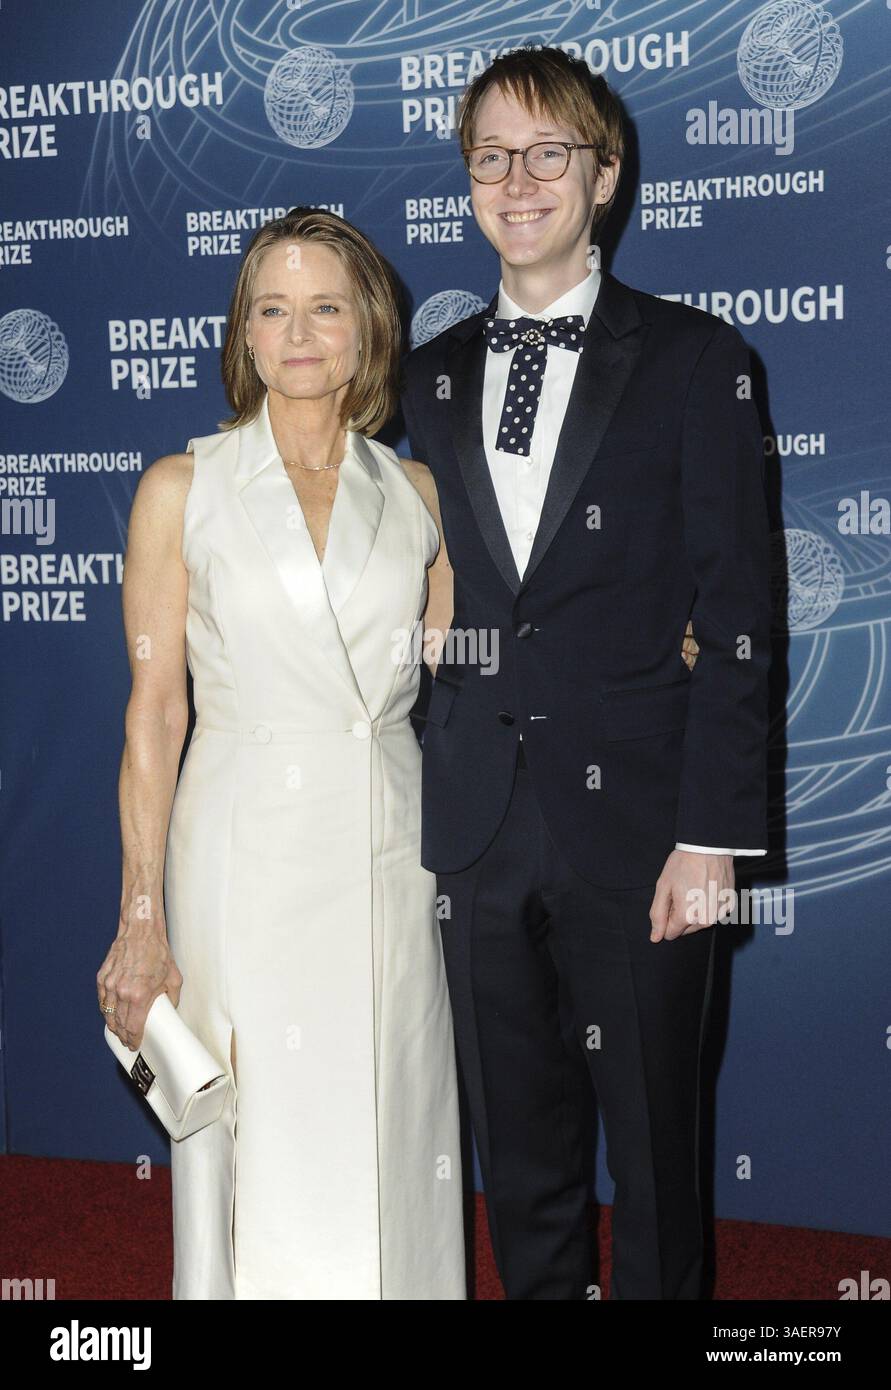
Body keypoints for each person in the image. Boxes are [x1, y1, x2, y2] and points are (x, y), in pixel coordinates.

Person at [401, 46, 771, 1299]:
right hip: (478, 832)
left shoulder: (693, 360)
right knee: (523, 1163)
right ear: (467, 182)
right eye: (491, 156)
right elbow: (428, 600)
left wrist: (712, 840)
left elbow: (738, 615)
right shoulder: (425, 377)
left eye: (549, 153)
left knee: (661, 1164)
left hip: (649, 835)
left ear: (604, 178)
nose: (519, 180)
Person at [96, 207, 465, 1299]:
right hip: (241, 846)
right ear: (244, 335)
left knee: (389, 1117)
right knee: (252, 1138)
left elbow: (489, 667)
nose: (298, 332)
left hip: (386, 848)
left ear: (369, 331)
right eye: (272, 308)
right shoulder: (184, 488)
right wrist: (140, 915)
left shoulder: (416, 496)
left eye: (325, 307)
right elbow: (155, 712)